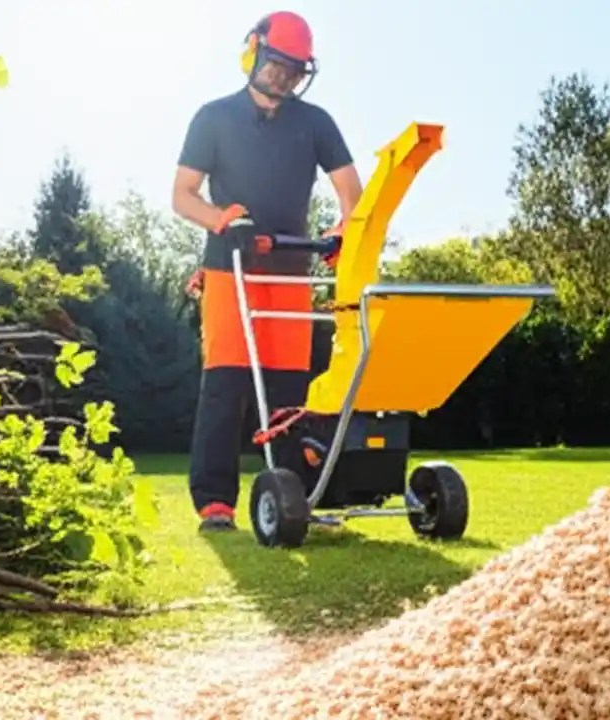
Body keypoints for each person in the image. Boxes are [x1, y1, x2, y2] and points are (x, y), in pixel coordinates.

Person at [172, 10, 363, 532]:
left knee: (288, 394)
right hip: (229, 269)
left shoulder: (316, 122)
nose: (286, 76)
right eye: (279, 63)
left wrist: (345, 230)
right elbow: (182, 196)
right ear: (253, 51)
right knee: (225, 385)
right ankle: (215, 502)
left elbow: (351, 189)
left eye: (297, 69)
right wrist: (221, 219)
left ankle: (292, 498)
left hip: (291, 274)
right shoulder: (212, 118)